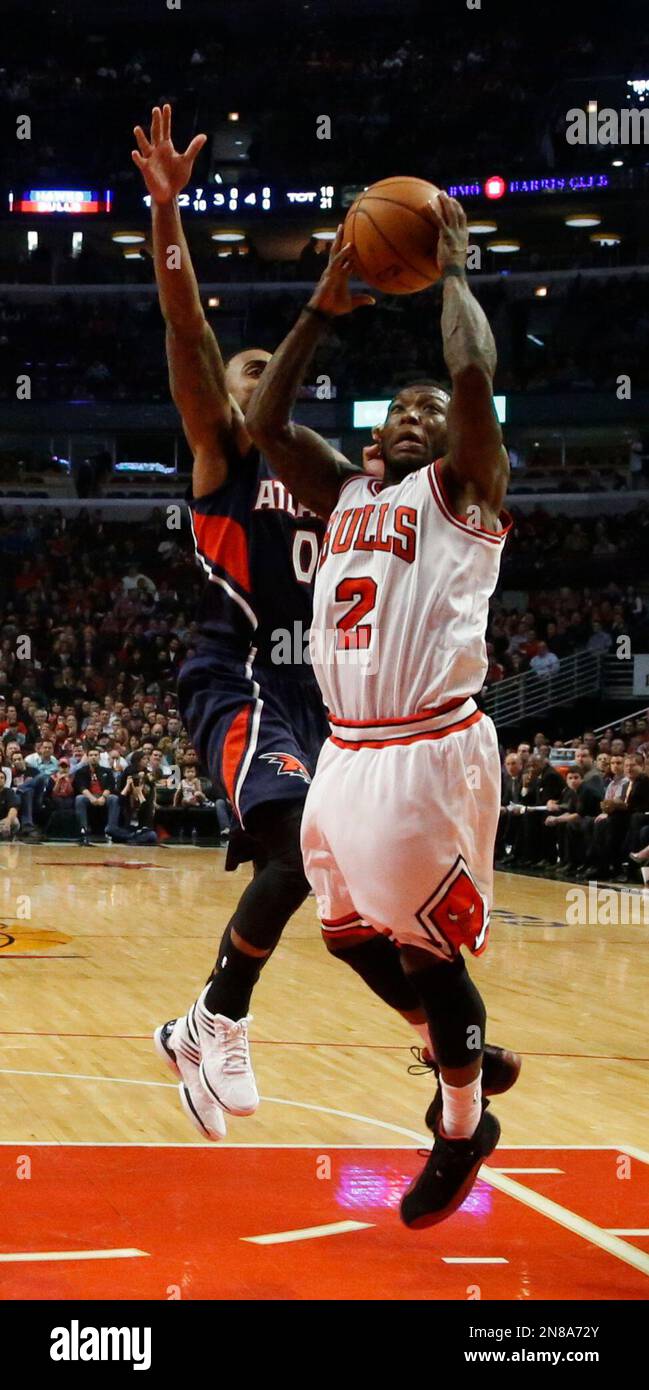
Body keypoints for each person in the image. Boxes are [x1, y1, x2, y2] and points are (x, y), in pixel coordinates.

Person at [134, 106, 517, 1145]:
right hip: (249, 677)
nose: (250, 379)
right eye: (243, 371)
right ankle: (209, 1020)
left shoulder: (356, 491)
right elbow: (188, 333)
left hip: (336, 707)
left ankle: (448, 1042)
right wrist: (167, 211)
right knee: (301, 863)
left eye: (268, 372)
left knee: (361, 923)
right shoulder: (230, 456)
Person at [246, 198, 520, 1227]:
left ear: (458, 437)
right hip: (347, 753)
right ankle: (465, 1048)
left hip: (426, 749)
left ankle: (460, 1122)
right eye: (396, 408)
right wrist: (319, 309)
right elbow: (265, 424)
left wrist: (448, 269)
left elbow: (471, 374)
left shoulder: (464, 489)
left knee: (423, 953)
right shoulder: (346, 495)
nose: (412, 414)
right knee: (345, 933)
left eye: (428, 408)